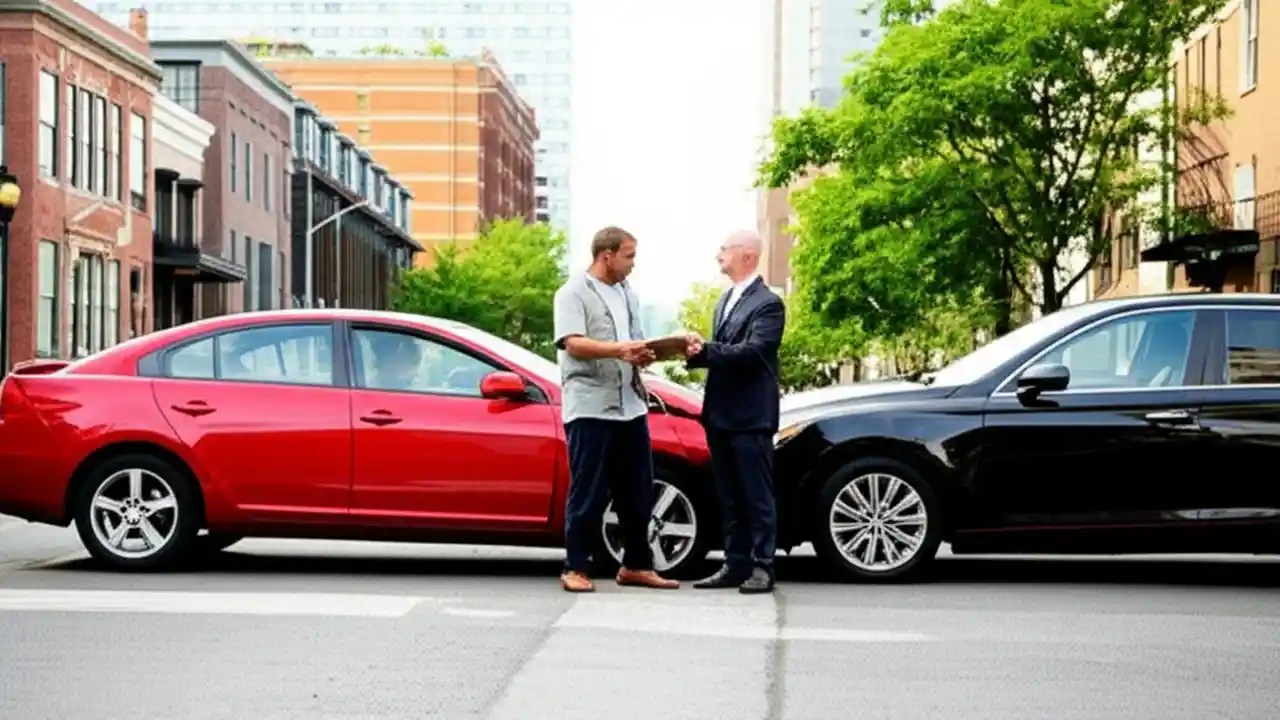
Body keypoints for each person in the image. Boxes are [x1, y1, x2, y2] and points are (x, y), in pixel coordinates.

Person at [552, 226, 680, 593]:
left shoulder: (627, 293)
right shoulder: (573, 292)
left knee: (638, 490)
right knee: (588, 491)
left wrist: (658, 350)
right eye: (629, 256)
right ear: (606, 255)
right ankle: (574, 566)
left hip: (630, 406)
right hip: (590, 407)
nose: (633, 264)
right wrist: (620, 350)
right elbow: (572, 343)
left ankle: (637, 564)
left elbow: (633, 342)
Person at [685, 230, 785, 594]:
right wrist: (700, 350)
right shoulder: (725, 299)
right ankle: (735, 563)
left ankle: (763, 566)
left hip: (751, 418)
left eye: (724, 249)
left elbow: (755, 351)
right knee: (728, 495)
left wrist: (704, 352)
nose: (718, 255)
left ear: (747, 255)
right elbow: (728, 352)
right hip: (721, 415)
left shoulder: (769, 303)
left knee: (756, 495)